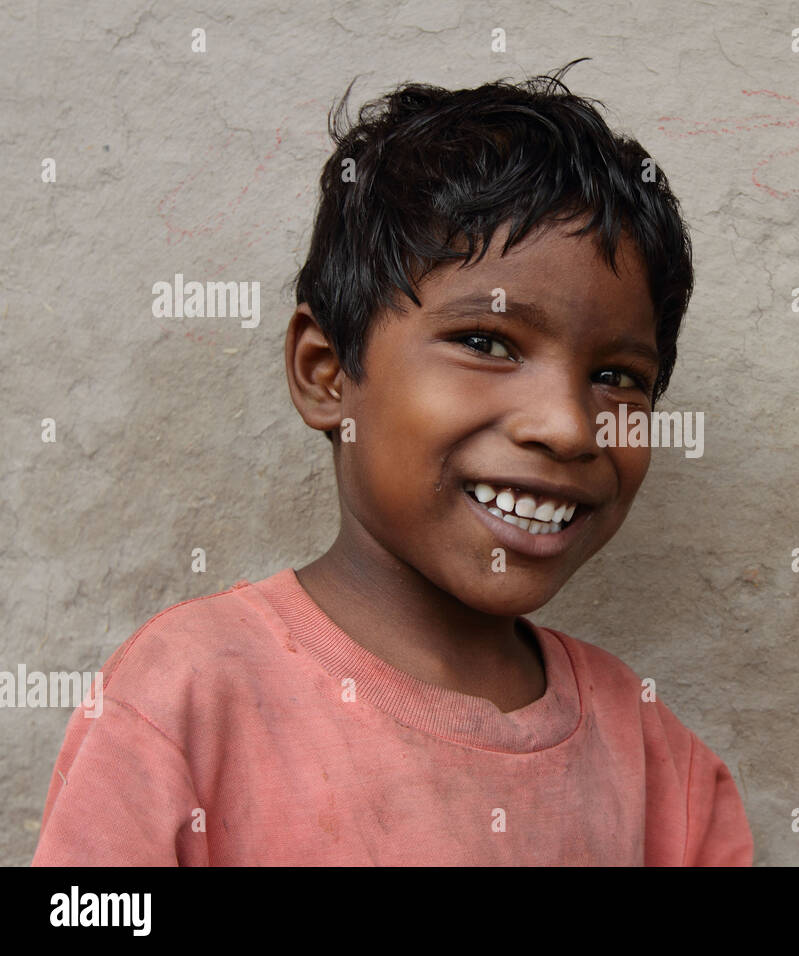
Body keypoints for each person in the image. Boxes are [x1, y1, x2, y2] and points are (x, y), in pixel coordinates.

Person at [31, 59, 753, 866]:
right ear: (327, 372)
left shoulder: (662, 768)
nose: (566, 427)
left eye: (618, 377)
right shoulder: (190, 697)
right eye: (486, 343)